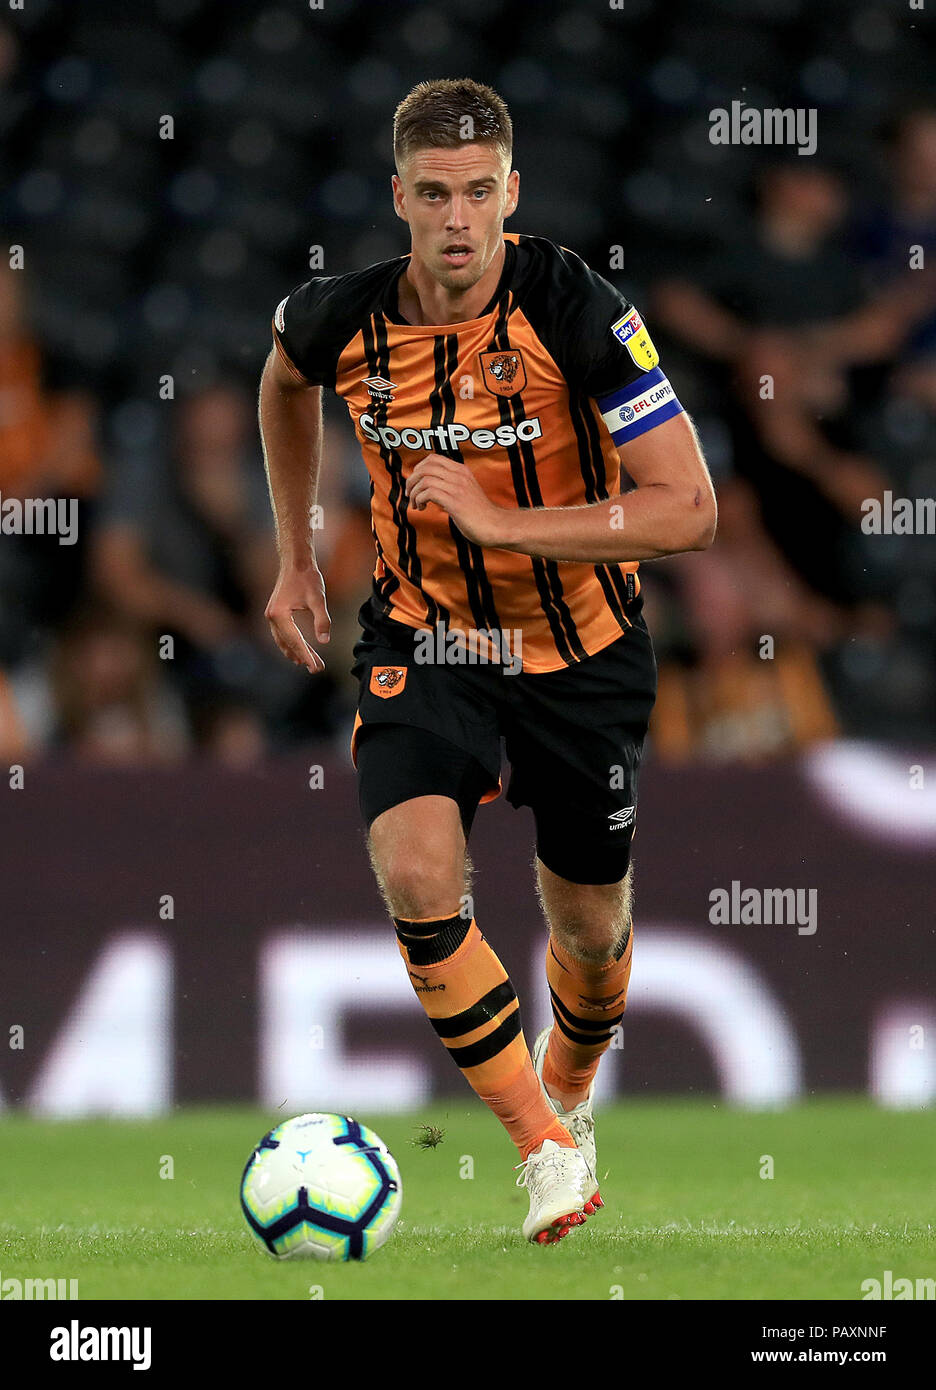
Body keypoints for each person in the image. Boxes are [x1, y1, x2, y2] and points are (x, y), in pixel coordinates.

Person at [259, 79, 716, 1245]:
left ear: (511, 195)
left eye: (478, 193)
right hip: (428, 637)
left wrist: (509, 526)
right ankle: (544, 1148)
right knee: (416, 875)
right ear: (399, 198)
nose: (457, 218)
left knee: (594, 935)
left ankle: (570, 1090)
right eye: (433, 194)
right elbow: (281, 380)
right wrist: (297, 553)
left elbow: (689, 510)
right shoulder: (342, 319)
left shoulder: (578, 309)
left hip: (581, 651)